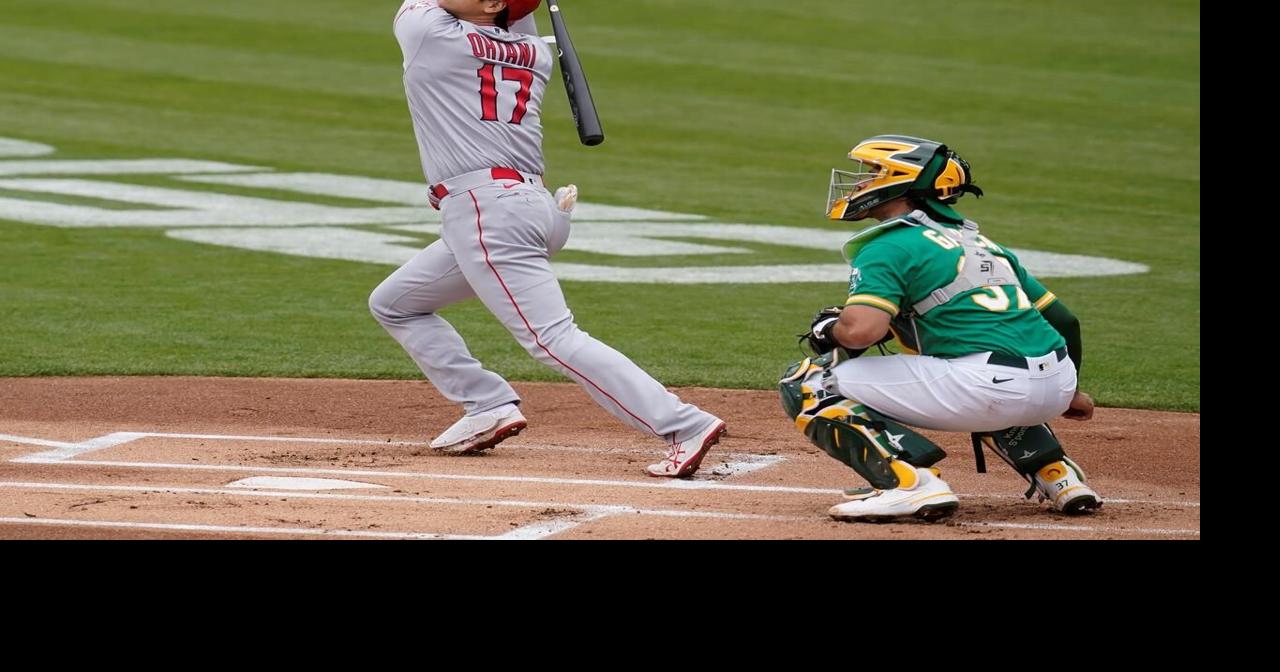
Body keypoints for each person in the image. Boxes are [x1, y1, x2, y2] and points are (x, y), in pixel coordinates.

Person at [370, 1, 725, 477]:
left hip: (488, 213)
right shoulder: (532, 50)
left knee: (553, 337)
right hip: (530, 209)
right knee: (396, 302)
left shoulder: (433, 34)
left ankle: (684, 424)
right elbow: (516, 13)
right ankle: (487, 404)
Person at [779, 134, 1102, 521]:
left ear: (900, 182)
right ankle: (1058, 475)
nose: (861, 183)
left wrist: (830, 329)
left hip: (984, 387)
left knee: (809, 383)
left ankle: (910, 483)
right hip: (1055, 383)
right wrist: (1071, 393)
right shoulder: (983, 244)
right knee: (980, 373)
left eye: (873, 174)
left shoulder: (890, 245)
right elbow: (1064, 320)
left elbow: (861, 331)